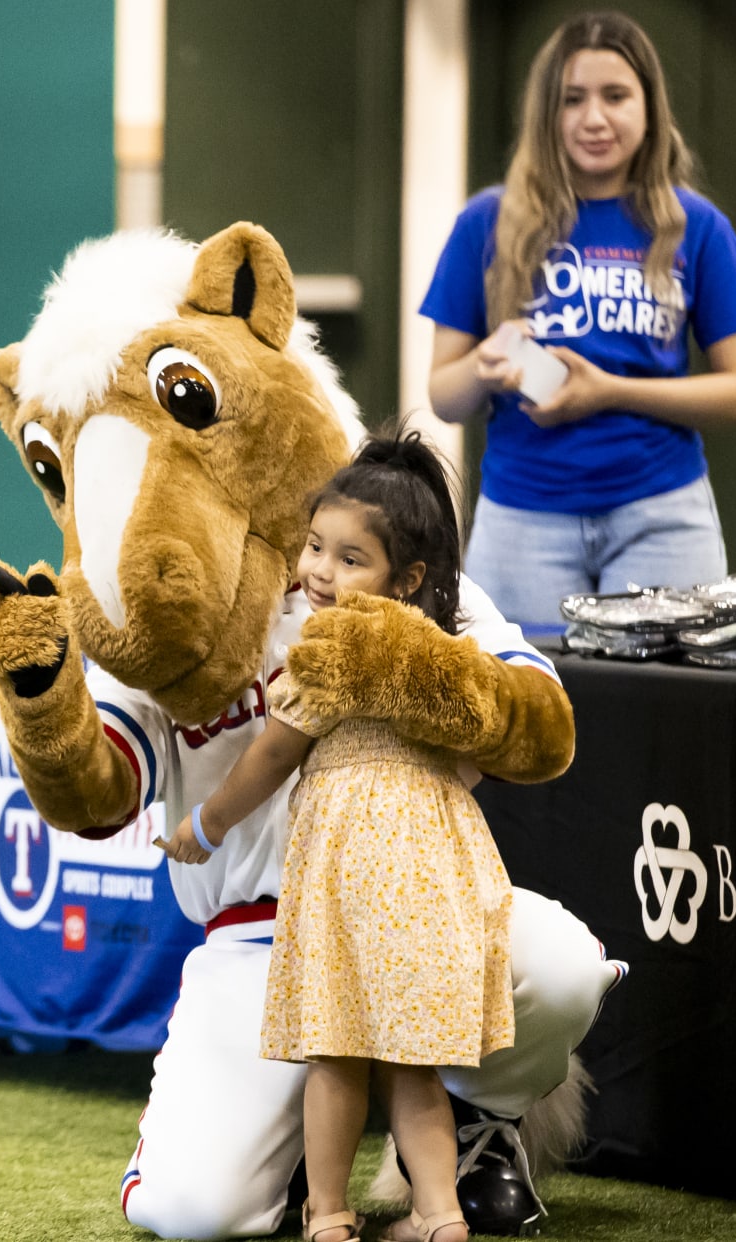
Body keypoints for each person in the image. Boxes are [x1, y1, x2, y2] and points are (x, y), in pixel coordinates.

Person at [158, 438, 508, 1242]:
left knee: (335, 1055)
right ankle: (441, 1213)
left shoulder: (329, 650)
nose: (318, 570)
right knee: (412, 1066)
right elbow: (473, 758)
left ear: (406, 577)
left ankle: (326, 1214)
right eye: (315, 547)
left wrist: (203, 824)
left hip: (349, 870)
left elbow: (272, 756)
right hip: (431, 870)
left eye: (350, 558)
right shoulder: (441, 652)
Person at [422, 9, 736, 628]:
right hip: (522, 519)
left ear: (649, 105)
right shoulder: (487, 221)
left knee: (662, 720)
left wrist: (607, 392)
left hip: (663, 516)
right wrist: (486, 362)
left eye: (616, 96)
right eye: (572, 99)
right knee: (526, 718)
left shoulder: (697, 225)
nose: (594, 118)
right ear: (546, 113)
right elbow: (445, 397)